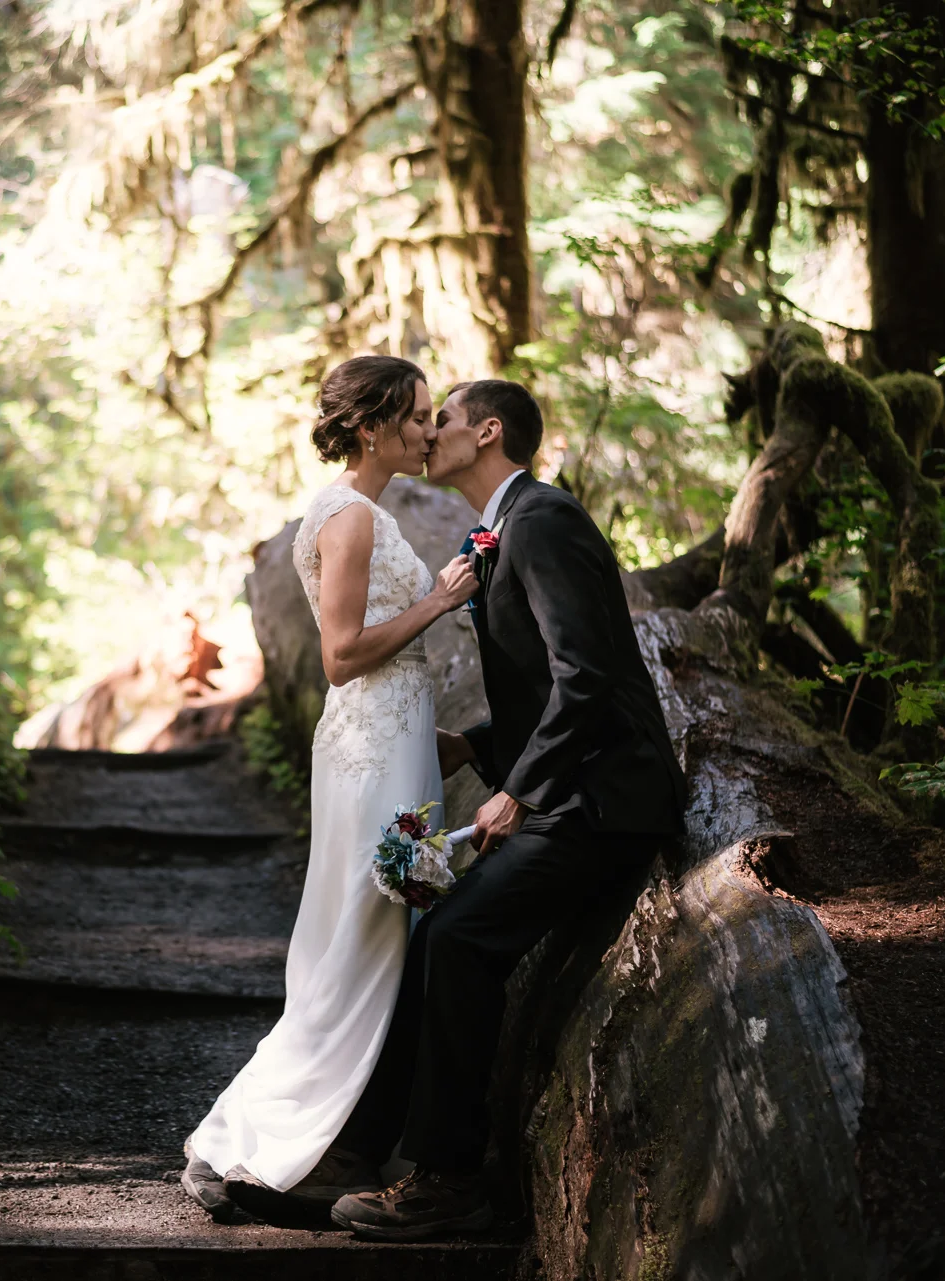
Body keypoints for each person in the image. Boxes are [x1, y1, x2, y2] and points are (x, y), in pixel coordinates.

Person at [326, 379, 688, 1241]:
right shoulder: (498, 529)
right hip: (568, 789)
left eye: (440, 418)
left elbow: (586, 675)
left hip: (607, 801)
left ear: (488, 431)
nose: (428, 432)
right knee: (431, 928)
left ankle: (450, 1180)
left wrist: (517, 791)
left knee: (457, 935)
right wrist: (476, 747)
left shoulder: (543, 520)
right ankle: (361, 1151)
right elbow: (544, 690)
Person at [181, 355, 479, 1226]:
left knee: (372, 941)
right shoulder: (348, 516)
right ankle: (244, 1141)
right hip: (371, 756)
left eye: (432, 416)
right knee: (358, 947)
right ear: (371, 424)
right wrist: (443, 598)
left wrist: (441, 741)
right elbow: (341, 656)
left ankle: (319, 1137)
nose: (430, 430)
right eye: (419, 416)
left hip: (396, 746)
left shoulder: (365, 512)